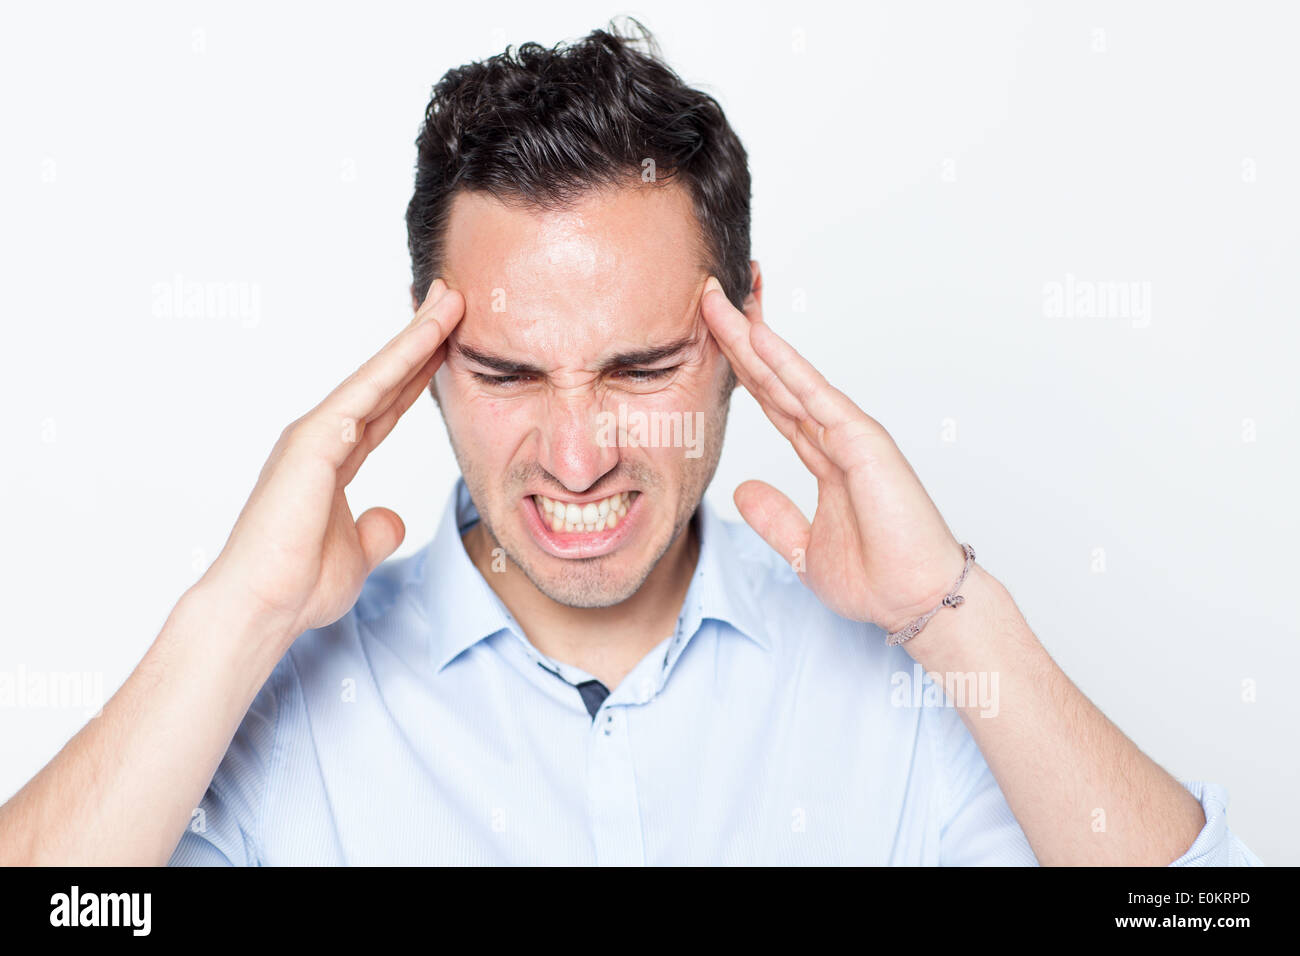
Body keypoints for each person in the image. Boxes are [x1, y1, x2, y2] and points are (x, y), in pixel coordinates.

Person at [0, 21, 1261, 866]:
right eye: (504, 370)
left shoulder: (907, 692)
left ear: (741, 328)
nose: (579, 452)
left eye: (641, 366)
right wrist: (231, 616)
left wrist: (952, 611)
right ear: (423, 357)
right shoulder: (280, 717)